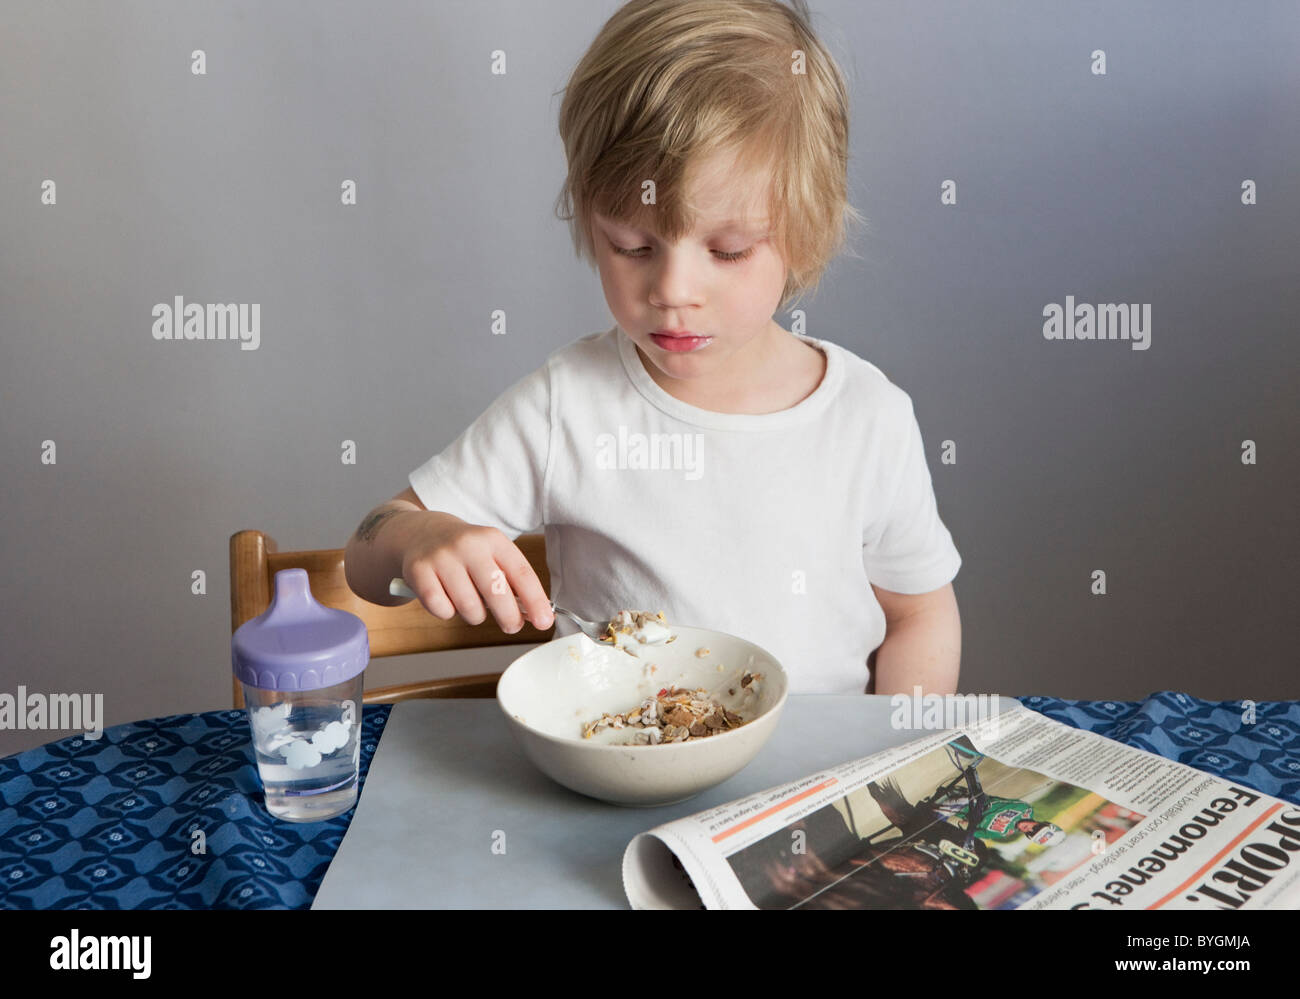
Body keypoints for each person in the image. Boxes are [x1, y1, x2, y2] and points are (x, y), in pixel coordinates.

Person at [343, 0, 963, 695]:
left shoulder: (868, 418)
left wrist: (898, 753)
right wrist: (417, 540)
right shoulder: (568, 404)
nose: (672, 289)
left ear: (809, 229)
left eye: (726, 251)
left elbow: (919, 614)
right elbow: (368, 551)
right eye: (631, 245)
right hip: (618, 790)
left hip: (812, 790)